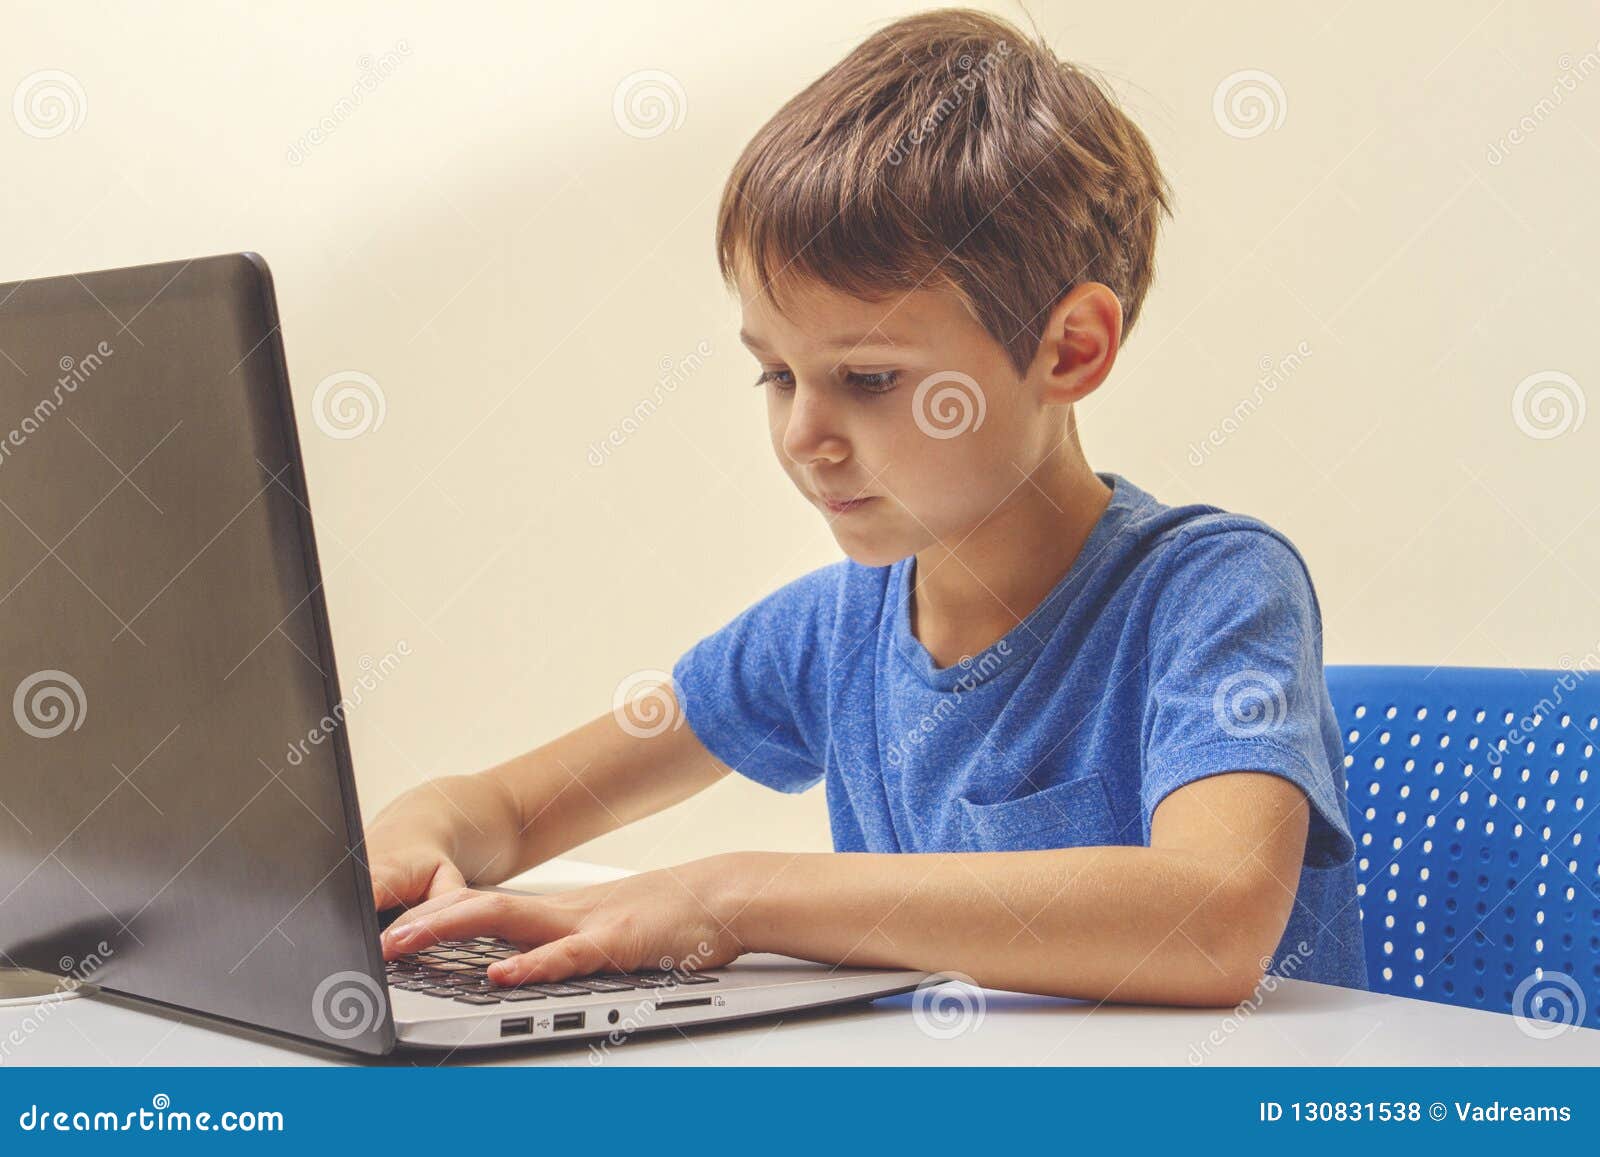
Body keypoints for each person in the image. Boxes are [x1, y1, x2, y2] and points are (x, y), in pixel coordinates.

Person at [367, 7, 1367, 1005]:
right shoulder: (829, 630)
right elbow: (500, 808)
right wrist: (424, 833)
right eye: (774, 375)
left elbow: (1210, 918)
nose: (804, 433)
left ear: (1068, 350)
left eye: (872, 377)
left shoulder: (1214, 592)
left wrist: (739, 893)